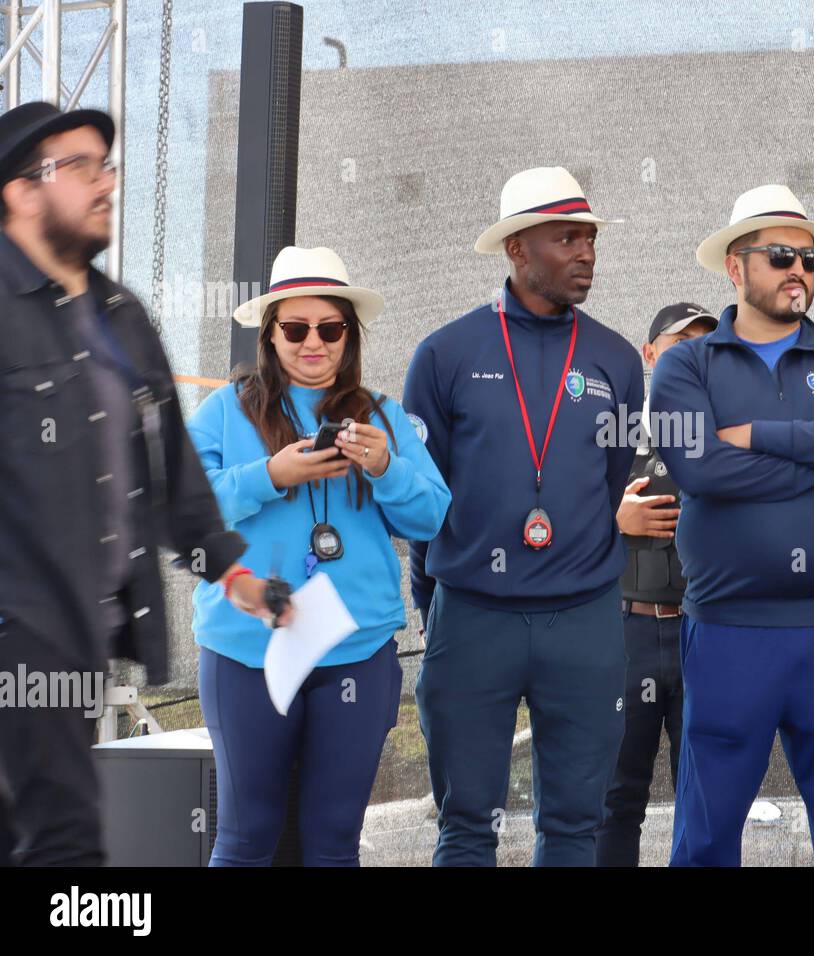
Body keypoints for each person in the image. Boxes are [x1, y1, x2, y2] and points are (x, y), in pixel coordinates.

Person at [0, 101, 274, 866]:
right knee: (66, 843)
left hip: (82, 631)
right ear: (21, 192)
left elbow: (174, 475)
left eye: (107, 165)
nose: (105, 182)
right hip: (19, 623)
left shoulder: (122, 318)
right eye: (80, 166)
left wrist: (237, 574)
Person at [650, 184, 814, 866]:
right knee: (705, 842)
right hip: (729, 632)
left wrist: (756, 434)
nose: (800, 269)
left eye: (810, 258)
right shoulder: (684, 364)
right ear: (735, 267)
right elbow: (699, 471)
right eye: (781, 255)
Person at [403, 166, 643, 866]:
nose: (586, 253)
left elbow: (607, 482)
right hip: (474, 618)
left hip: (584, 623)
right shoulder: (445, 354)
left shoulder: (617, 358)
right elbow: (426, 500)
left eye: (591, 238)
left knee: (575, 826)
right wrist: (444, 605)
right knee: (466, 827)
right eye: (567, 238)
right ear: (516, 248)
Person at [187, 245, 450, 866]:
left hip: (354, 650)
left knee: (334, 839)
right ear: (270, 334)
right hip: (246, 647)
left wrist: (385, 468)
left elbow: (433, 516)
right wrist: (269, 475)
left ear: (348, 336)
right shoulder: (225, 410)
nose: (314, 343)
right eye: (296, 328)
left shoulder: (383, 416)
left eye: (330, 329)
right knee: (246, 833)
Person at [595, 302, 717, 867]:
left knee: (706, 799)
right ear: (649, 355)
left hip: (704, 634)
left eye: (704, 344)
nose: (692, 355)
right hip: (627, 635)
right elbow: (549, 519)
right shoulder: (613, 431)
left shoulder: (727, 435)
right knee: (617, 799)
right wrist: (612, 521)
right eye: (679, 344)